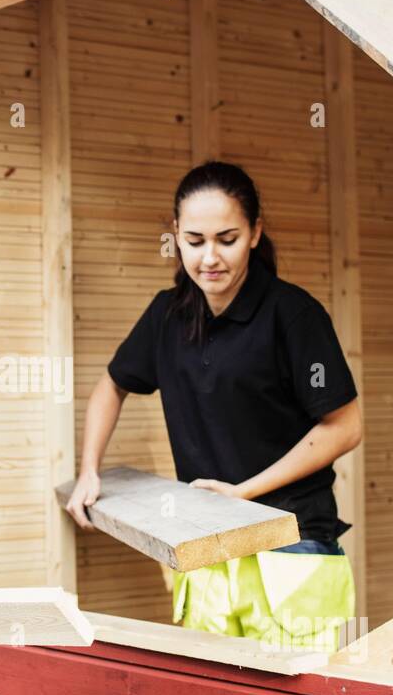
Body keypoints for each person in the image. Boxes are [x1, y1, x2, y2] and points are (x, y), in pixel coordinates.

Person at [64, 161, 362, 653]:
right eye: (195, 240)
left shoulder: (294, 315)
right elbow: (111, 386)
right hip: (206, 545)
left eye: (227, 238)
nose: (209, 257)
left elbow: (344, 428)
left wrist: (243, 492)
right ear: (176, 235)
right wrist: (88, 470)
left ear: (254, 233)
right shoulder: (168, 314)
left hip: (290, 546)